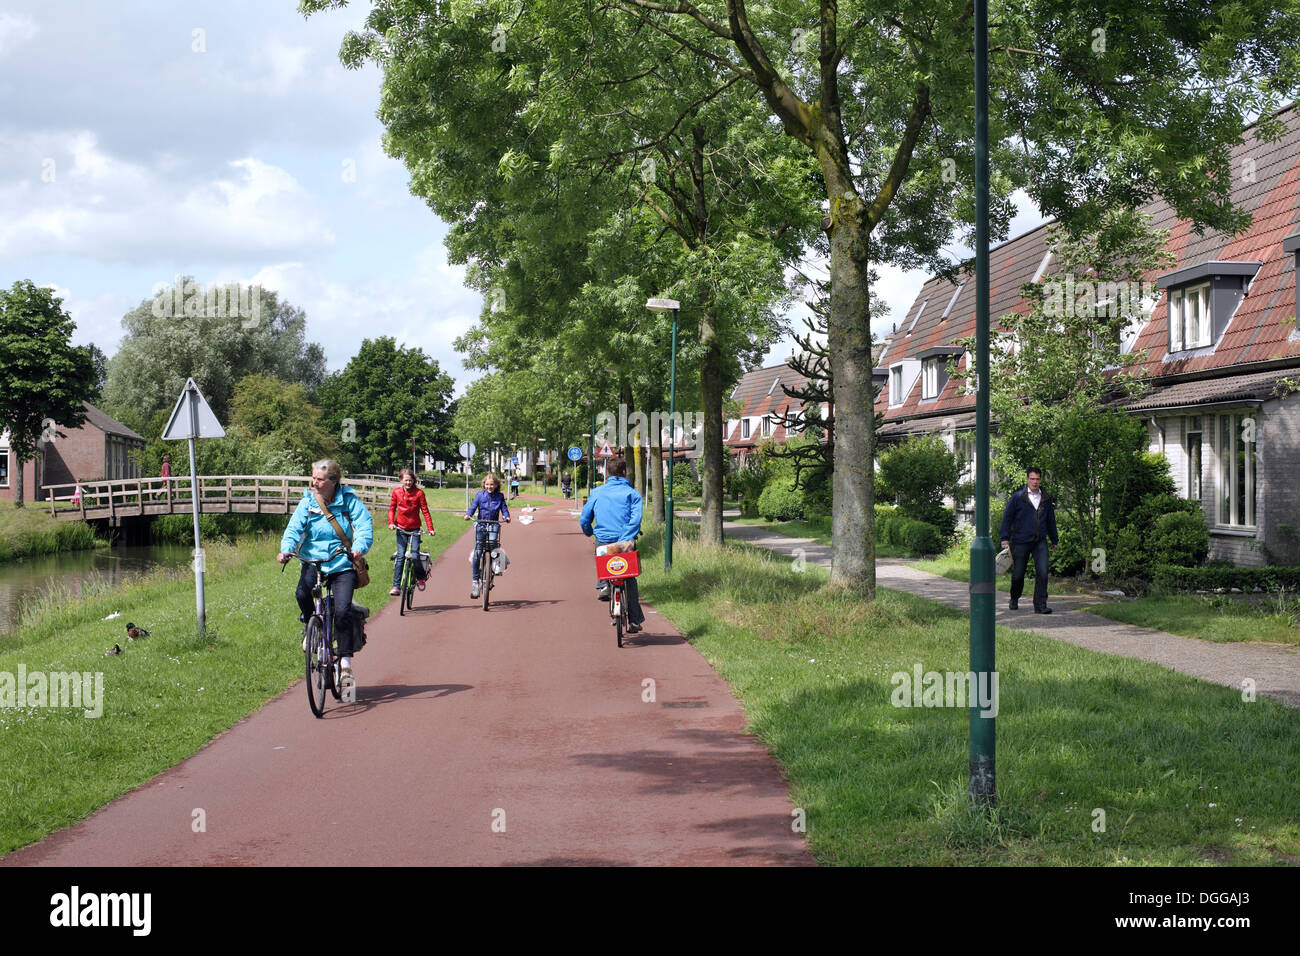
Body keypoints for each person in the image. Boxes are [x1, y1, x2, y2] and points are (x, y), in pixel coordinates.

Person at [277, 459, 374, 690]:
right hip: (314, 560)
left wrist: (359, 547)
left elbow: (364, 525)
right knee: (302, 593)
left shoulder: (349, 501)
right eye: (313, 478)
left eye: (319, 479)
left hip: (342, 562)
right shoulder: (308, 501)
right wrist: (287, 549)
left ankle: (346, 662)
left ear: (333, 481)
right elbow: (294, 528)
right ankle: (314, 629)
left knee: (342, 611)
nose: (314, 483)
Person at [579, 457, 645, 633]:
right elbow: (636, 519)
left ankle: (604, 585)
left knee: (603, 561)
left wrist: (588, 531)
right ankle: (634, 620)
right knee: (629, 577)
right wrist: (626, 537)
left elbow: (585, 517)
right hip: (625, 541)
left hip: (604, 540)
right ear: (624, 472)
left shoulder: (597, 492)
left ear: (607, 473)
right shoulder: (633, 494)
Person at [999, 466, 1058, 613]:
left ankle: (1040, 605)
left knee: (1043, 572)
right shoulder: (1018, 498)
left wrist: (1054, 539)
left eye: (1038, 479)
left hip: (1040, 542)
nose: (1035, 482)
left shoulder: (1046, 498)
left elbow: (1051, 520)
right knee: (1018, 574)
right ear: (1027, 479)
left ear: (1041, 480)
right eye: (1032, 479)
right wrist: (1004, 538)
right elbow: (1007, 518)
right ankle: (1014, 598)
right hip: (1020, 541)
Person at [388, 467, 435, 596]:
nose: (408, 483)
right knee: (400, 556)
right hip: (401, 528)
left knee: (415, 555)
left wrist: (430, 528)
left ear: (414, 480)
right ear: (401, 480)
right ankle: (396, 586)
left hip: (415, 529)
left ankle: (420, 578)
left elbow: (425, 511)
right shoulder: (396, 492)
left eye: (410, 480)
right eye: (405, 480)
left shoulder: (419, 493)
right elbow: (392, 509)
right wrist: (391, 522)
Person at [464, 472, 510, 600]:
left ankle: (492, 573)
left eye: (492, 484)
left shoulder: (500, 496)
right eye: (487, 484)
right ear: (484, 485)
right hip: (481, 525)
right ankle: (475, 583)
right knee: (478, 552)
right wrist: (468, 514)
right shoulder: (480, 495)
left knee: (494, 549)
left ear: (496, 485)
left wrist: (506, 516)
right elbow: (473, 507)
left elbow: (504, 508)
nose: (489, 486)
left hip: (494, 524)